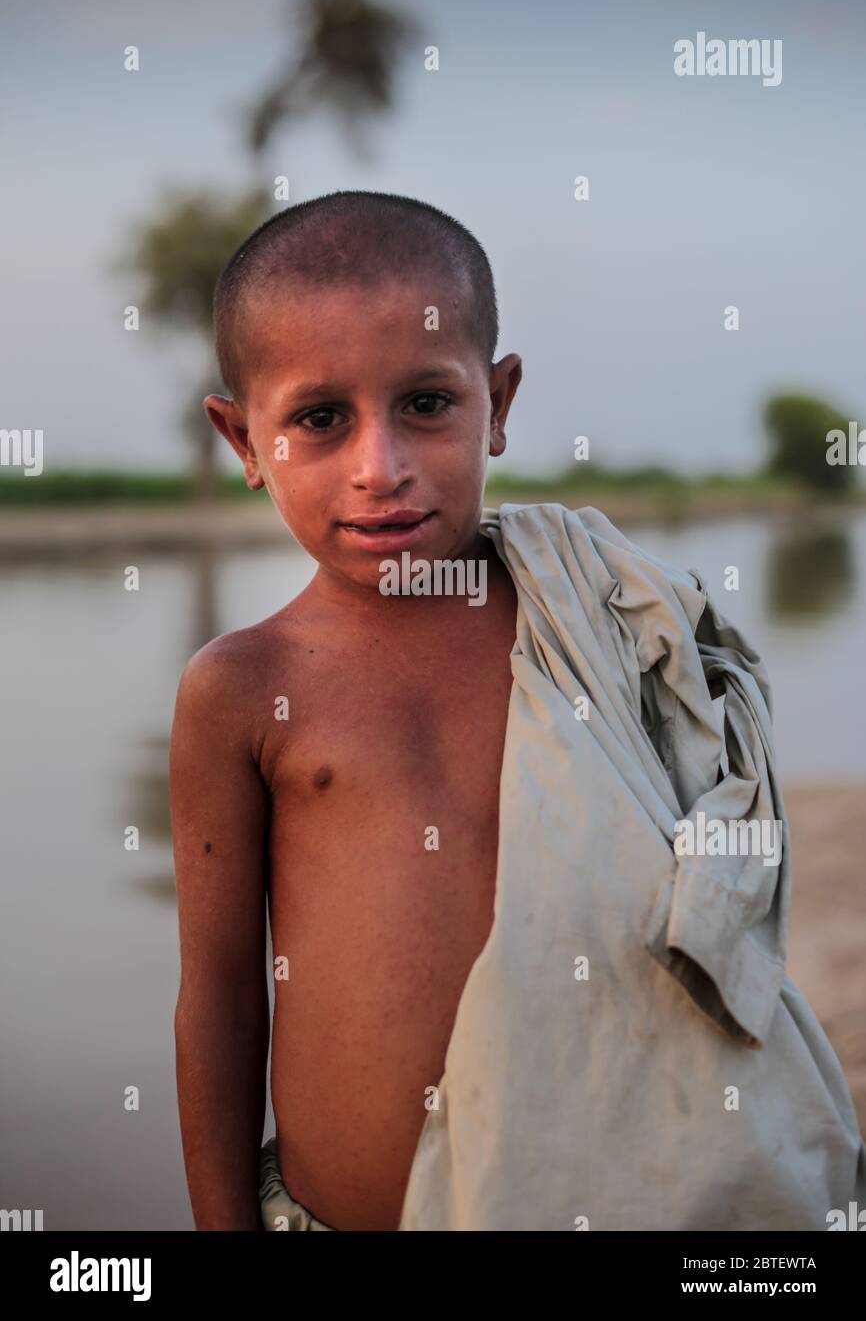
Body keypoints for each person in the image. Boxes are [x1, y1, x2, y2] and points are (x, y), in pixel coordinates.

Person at [169, 190, 866, 1232]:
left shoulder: (592, 617)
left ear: (496, 403)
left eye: (426, 404)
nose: (380, 467)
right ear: (242, 438)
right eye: (320, 419)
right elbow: (221, 1000)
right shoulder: (239, 687)